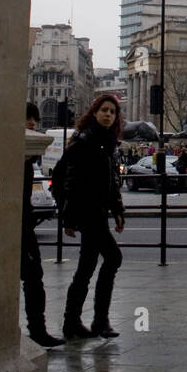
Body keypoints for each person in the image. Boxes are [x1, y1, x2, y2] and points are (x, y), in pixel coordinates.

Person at [61, 95, 126, 340]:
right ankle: (98, 320)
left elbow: (112, 182)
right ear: (94, 112)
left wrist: (118, 210)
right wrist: (68, 217)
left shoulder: (108, 142)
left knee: (86, 267)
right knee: (113, 258)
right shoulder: (85, 140)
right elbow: (70, 180)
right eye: (104, 110)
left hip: (99, 211)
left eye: (112, 111)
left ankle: (74, 322)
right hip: (88, 212)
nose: (108, 114)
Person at [21, 103, 64, 347]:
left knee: (34, 277)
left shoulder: (27, 158)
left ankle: (38, 329)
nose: (32, 123)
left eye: (34, 119)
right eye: (27, 118)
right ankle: (37, 329)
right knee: (31, 277)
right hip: (14, 224)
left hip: (24, 223)